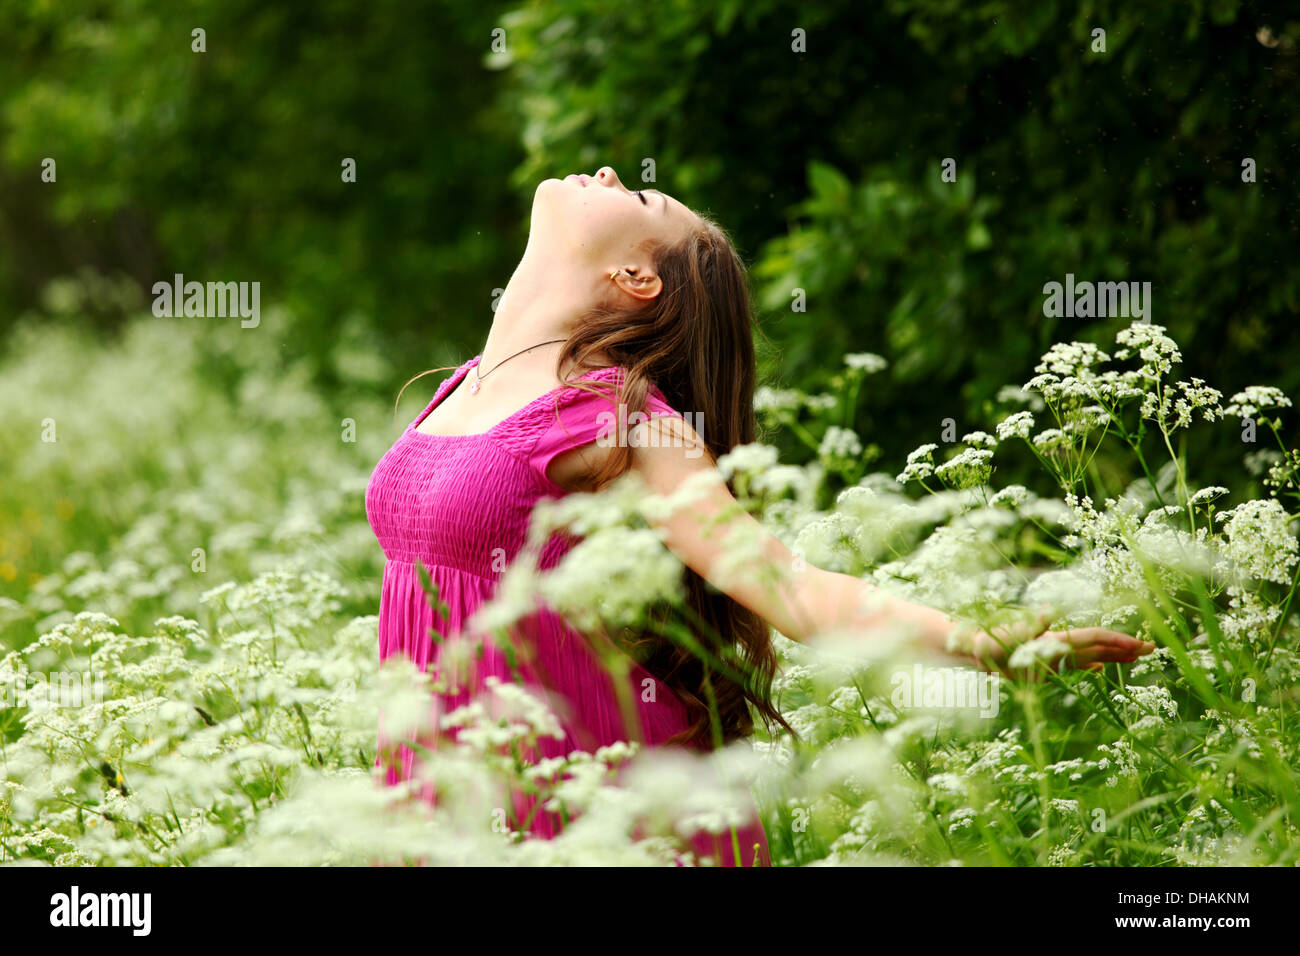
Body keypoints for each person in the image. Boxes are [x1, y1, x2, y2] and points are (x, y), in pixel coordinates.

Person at [364, 165, 1155, 866]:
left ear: (638, 276)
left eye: (638, 195)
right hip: (447, 799)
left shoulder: (624, 418)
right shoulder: (465, 384)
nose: (606, 170)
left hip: (590, 813)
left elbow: (783, 583)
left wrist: (982, 643)